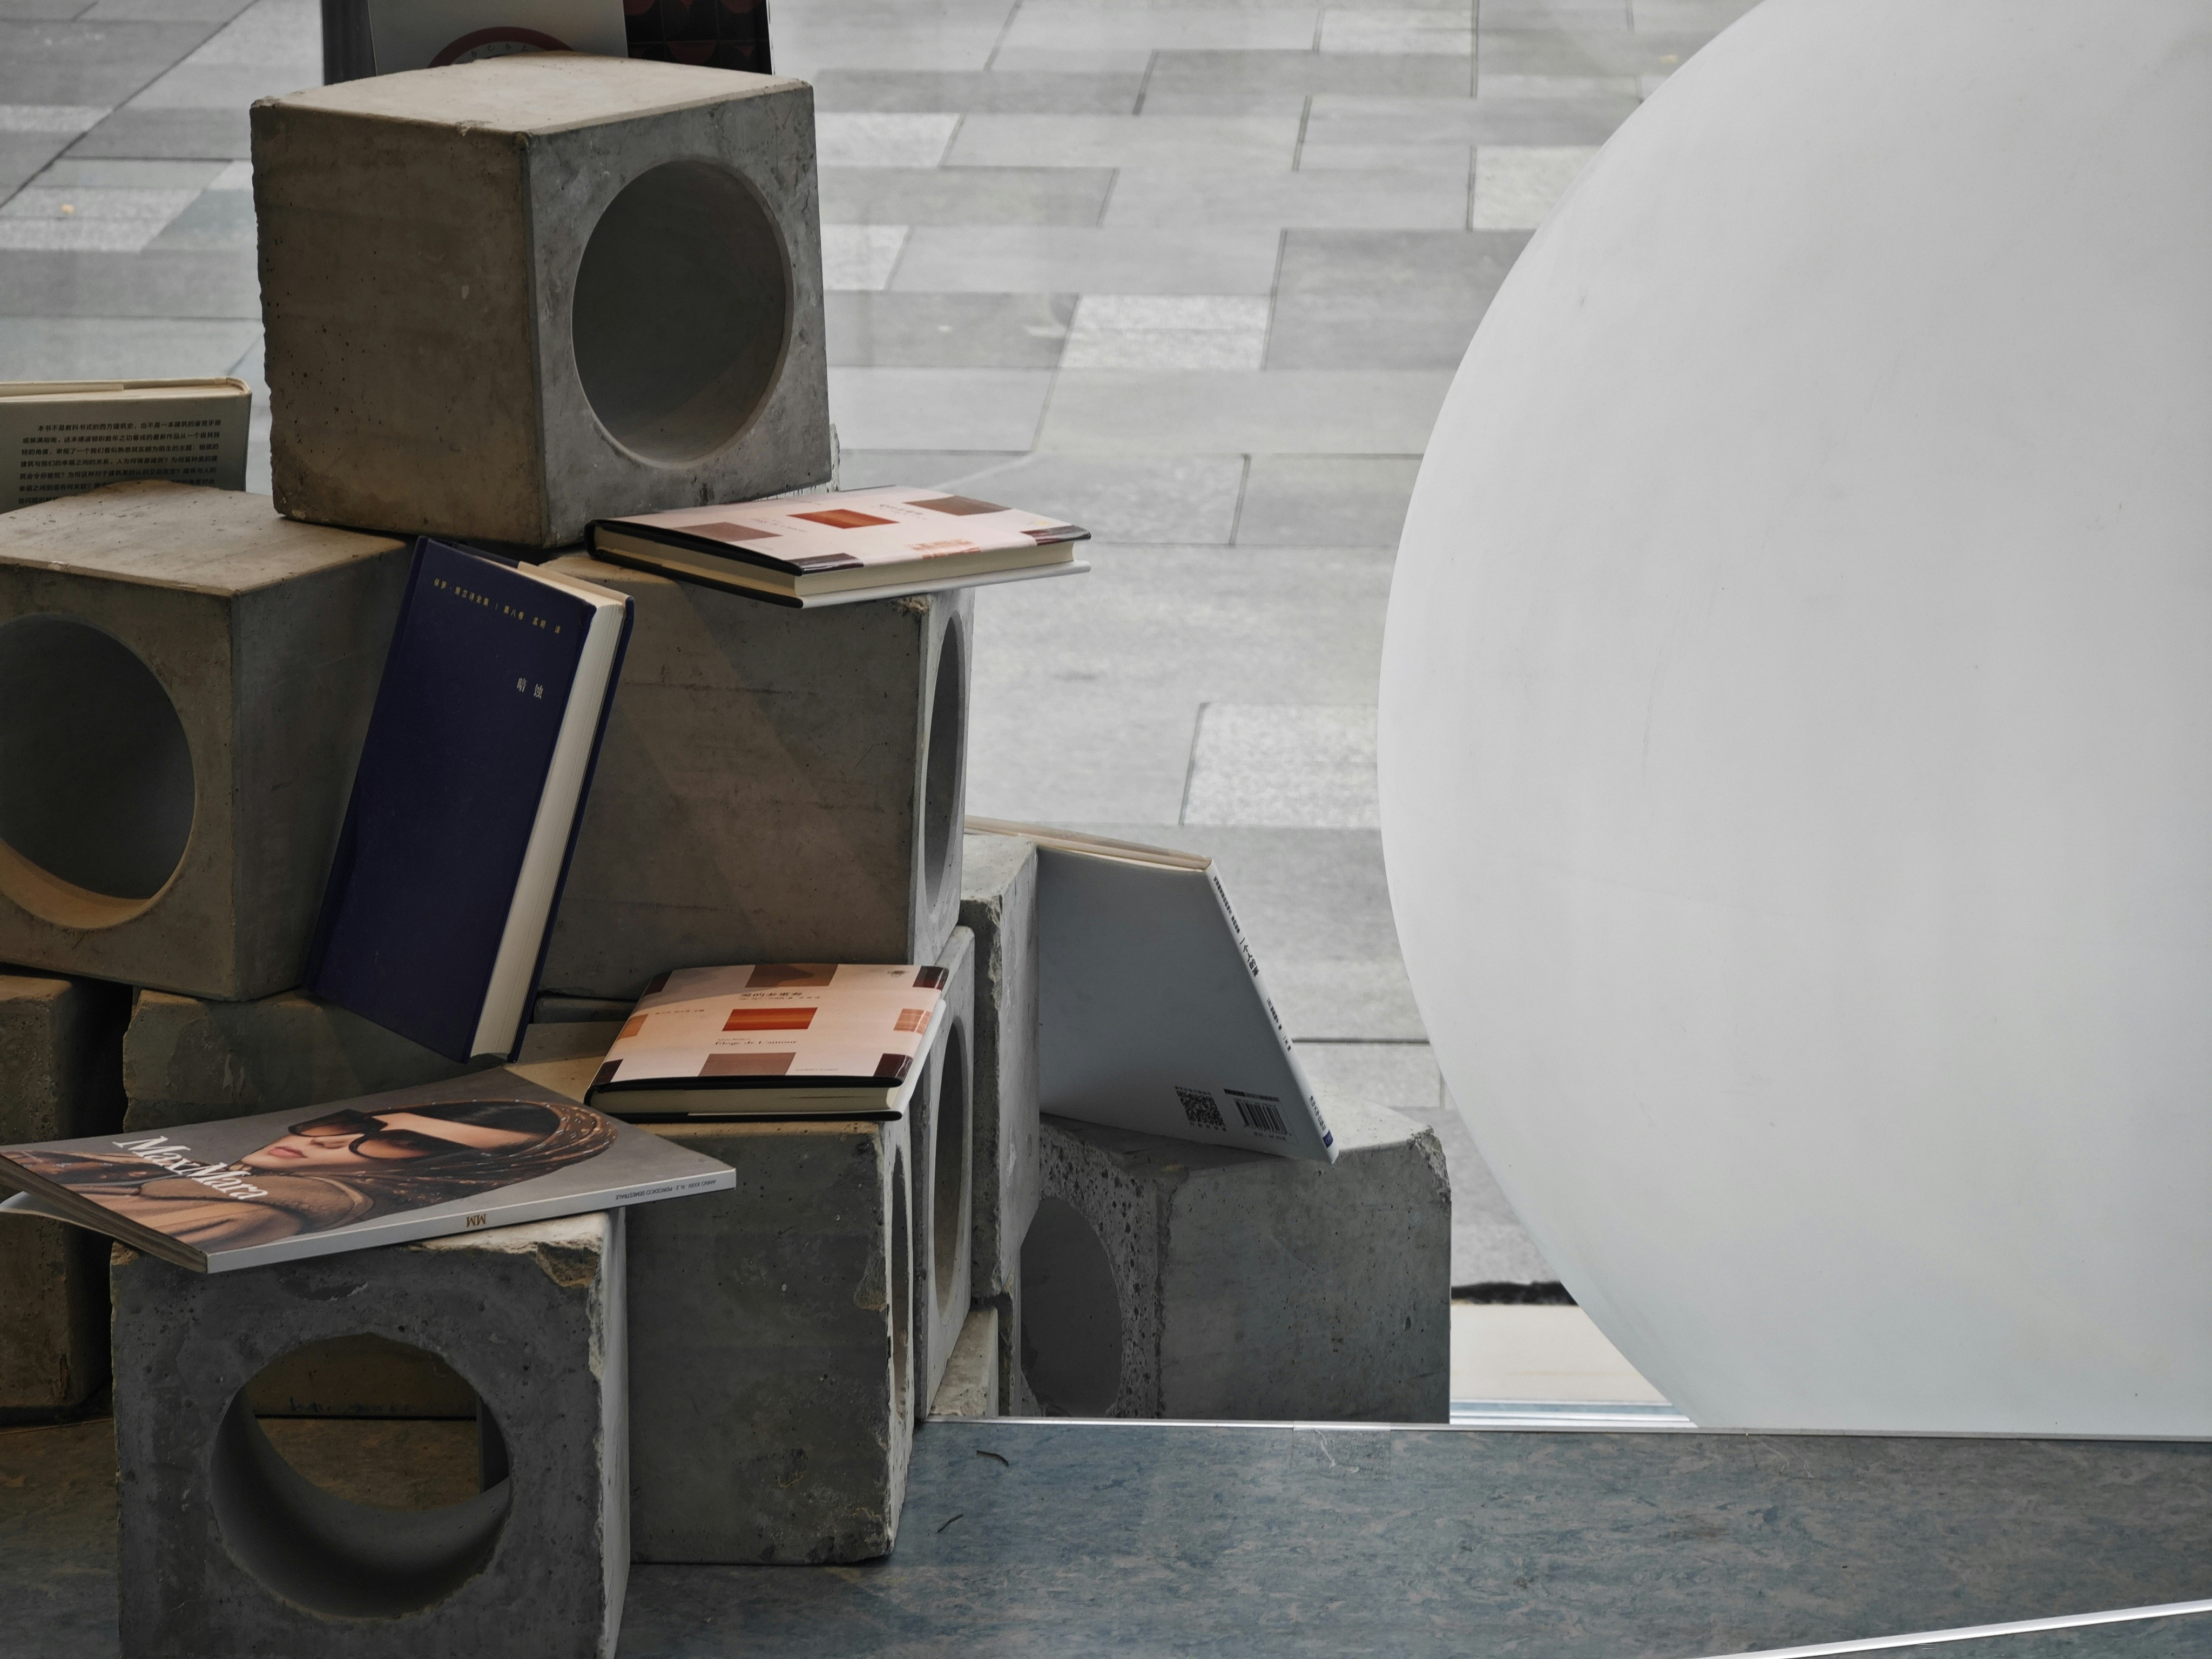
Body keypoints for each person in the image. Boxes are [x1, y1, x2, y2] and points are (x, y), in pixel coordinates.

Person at [9, 1098, 616, 1253]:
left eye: (399, 1144)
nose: (326, 1138)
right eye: (343, 1120)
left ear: (443, 1179)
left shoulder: (256, 1211)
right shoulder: (185, 1172)